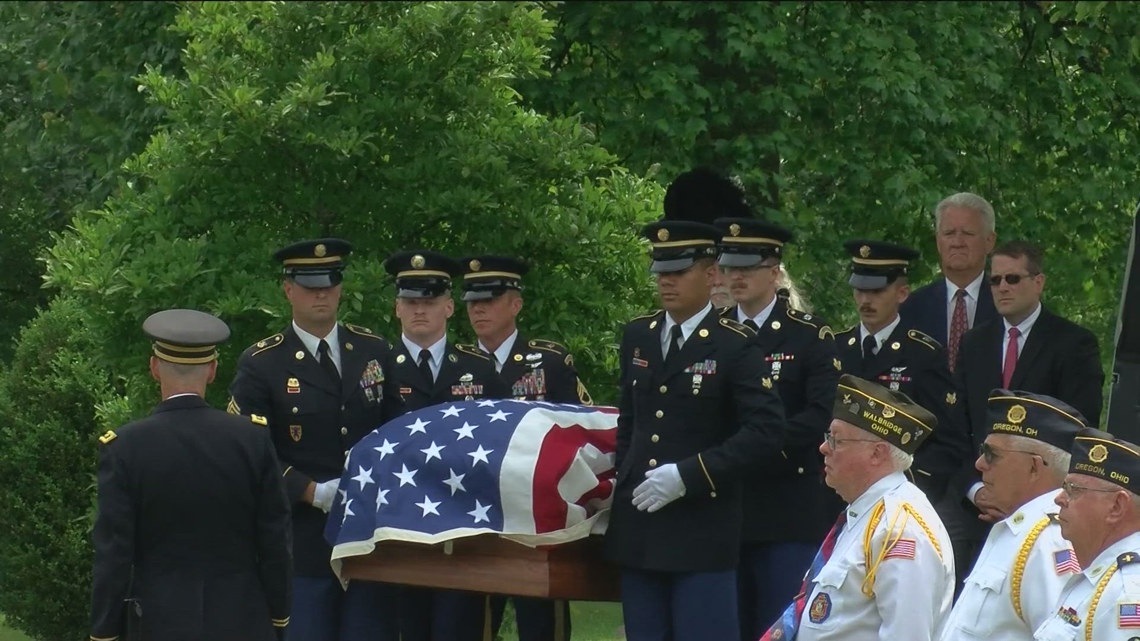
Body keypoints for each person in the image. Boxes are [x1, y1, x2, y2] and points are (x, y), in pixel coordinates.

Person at [603, 218, 786, 641]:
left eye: (678, 272)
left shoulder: (734, 344)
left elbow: (765, 431)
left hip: (700, 528)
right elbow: (631, 420)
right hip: (641, 526)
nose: (666, 283)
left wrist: (691, 475)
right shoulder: (639, 335)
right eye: (661, 273)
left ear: (710, 275)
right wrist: (624, 478)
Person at [228, 238, 405, 641]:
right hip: (301, 540)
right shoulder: (262, 363)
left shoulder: (372, 349)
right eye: (309, 285)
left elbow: (397, 431)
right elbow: (251, 451)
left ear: (341, 287)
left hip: (369, 536)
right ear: (288, 289)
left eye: (329, 282)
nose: (321, 293)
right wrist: (309, 490)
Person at [91, 309, 291, 641]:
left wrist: (104, 633)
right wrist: (279, 617)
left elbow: (114, 554)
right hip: (242, 620)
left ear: (154, 368)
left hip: (158, 623)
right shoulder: (252, 439)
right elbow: (275, 542)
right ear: (212, 371)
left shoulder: (126, 448)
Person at [712, 216, 841, 641]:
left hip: (787, 504)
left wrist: (755, 443)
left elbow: (821, 415)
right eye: (730, 267)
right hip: (726, 503)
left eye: (747, 267)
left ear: (774, 271)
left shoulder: (809, 336)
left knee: (779, 625)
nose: (736, 276)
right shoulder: (714, 334)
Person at [761, 374, 954, 641]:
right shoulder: (865, 513)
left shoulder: (901, 529)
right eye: (828, 437)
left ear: (877, 453)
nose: (823, 448)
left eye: (837, 440)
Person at [952, 240, 1105, 579]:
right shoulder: (974, 343)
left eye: (1013, 278)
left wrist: (1024, 496)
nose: (1002, 287)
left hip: (1044, 505)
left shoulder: (1073, 344)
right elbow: (956, 429)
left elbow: (1079, 432)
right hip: (975, 506)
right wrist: (978, 491)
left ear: (1039, 282)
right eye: (995, 280)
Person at [459, 254, 589, 641]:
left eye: (489, 299)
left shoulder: (548, 361)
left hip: (537, 519)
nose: (478, 308)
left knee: (541, 624)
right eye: (471, 300)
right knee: (471, 624)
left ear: (516, 304)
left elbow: (583, 429)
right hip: (473, 516)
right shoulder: (455, 364)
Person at [382, 249, 510, 641]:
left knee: (460, 627)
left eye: (430, 301)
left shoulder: (481, 368)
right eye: (411, 301)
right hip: (398, 526)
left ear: (450, 307)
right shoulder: (376, 367)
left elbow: (500, 444)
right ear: (397, 308)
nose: (420, 310)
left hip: (463, 525)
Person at [938, 390, 1085, 641]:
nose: (979, 464)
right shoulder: (1018, 528)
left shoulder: (1049, 541)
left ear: (1033, 467)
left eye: (991, 454)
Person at [834, 240, 971, 503]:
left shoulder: (923, 354)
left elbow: (947, 440)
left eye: (877, 291)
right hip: (837, 494)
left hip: (897, 494)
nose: (866, 300)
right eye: (860, 291)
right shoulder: (836, 348)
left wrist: (901, 480)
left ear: (902, 293)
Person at [1032, 428, 1140, 641]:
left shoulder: (1128, 592)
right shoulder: (1099, 574)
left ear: (1117, 506)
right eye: (1064, 486)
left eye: (1074, 489)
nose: (1059, 499)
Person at [902, 192, 999, 373]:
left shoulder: (1008, 305)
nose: (957, 242)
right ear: (939, 241)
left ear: (989, 241)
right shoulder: (911, 307)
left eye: (968, 233)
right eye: (949, 233)